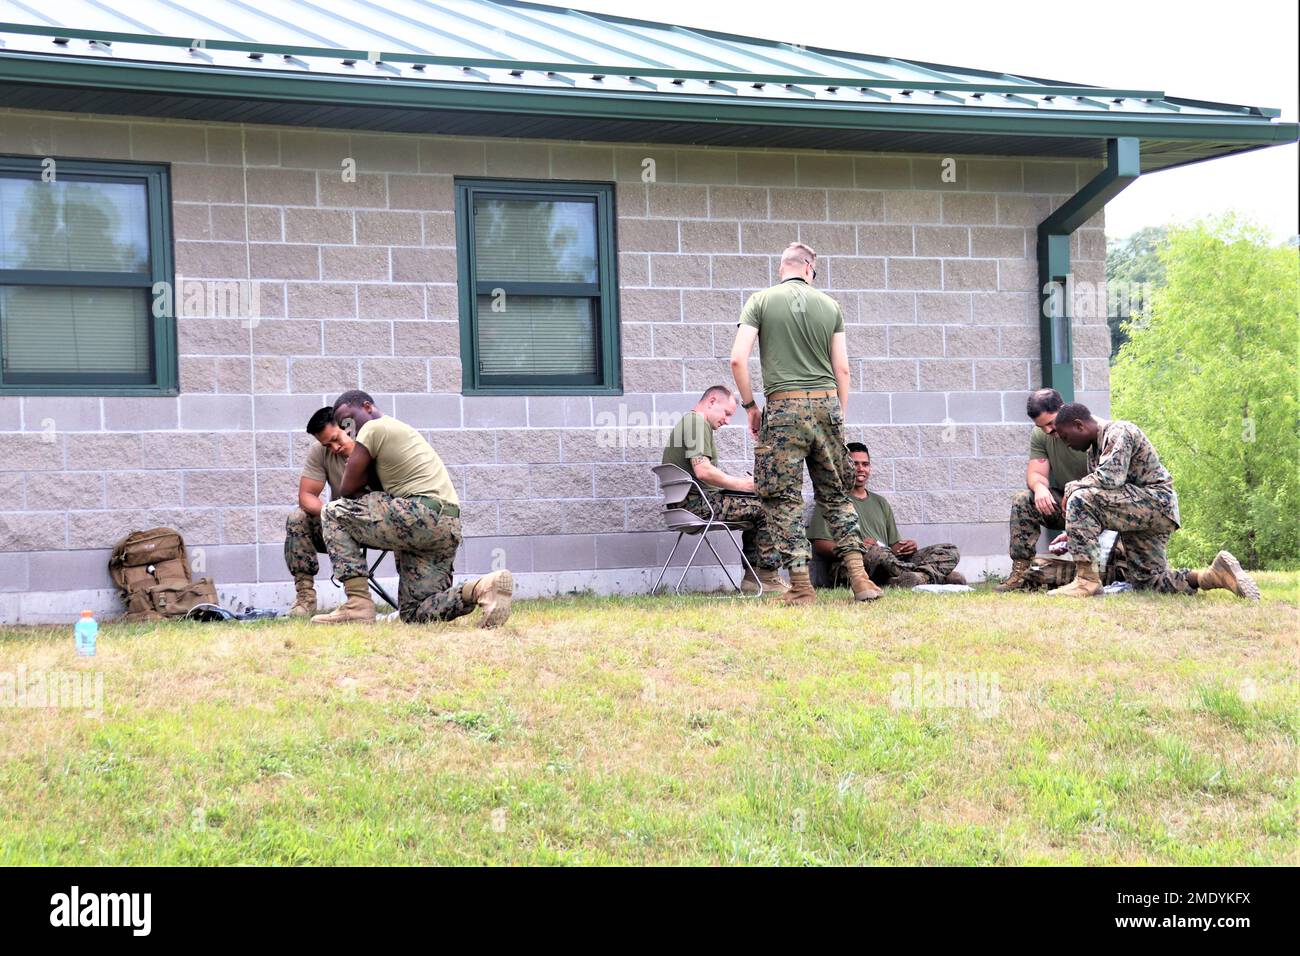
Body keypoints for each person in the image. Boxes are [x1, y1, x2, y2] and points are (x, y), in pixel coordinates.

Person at [730, 242, 880, 605]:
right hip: (827, 404)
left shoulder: (760, 301)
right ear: (810, 268)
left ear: (783, 267)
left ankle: (800, 586)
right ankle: (860, 580)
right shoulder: (830, 306)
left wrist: (751, 406)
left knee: (782, 497)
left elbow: (737, 359)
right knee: (836, 494)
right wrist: (837, 415)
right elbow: (843, 369)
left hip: (783, 408)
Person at [312, 390, 514, 626]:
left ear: (367, 407)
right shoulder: (399, 431)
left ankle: (357, 605)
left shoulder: (373, 428)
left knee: (333, 512)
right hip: (446, 526)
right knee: (415, 613)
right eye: (343, 426)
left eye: (349, 419)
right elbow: (379, 490)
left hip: (420, 513)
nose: (348, 429)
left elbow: (347, 489)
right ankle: (481, 589)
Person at [1048, 402, 1260, 600]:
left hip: (1154, 503)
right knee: (1149, 582)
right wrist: (1075, 532)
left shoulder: (1119, 431)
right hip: (1145, 510)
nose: (1067, 445)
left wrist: (1071, 487)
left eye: (1066, 437)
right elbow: (1101, 505)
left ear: (1079, 425)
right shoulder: (1095, 450)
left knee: (1080, 497)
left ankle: (1087, 581)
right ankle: (1213, 576)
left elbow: (1109, 479)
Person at [661, 386, 786, 595]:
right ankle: (766, 578)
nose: (727, 420)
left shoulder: (690, 422)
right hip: (698, 507)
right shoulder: (696, 423)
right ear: (711, 401)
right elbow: (703, 470)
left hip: (688, 505)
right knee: (769, 508)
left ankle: (754, 579)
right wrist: (745, 484)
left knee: (756, 504)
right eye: (727, 413)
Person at [808, 443, 964, 589]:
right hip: (850, 566)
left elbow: (893, 547)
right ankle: (933, 577)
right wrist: (857, 546)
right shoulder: (832, 500)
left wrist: (906, 547)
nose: (860, 469)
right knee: (877, 553)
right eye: (855, 464)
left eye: (865, 464)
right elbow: (819, 544)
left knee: (949, 550)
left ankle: (913, 578)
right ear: (843, 466)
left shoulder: (880, 502)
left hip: (890, 562)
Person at [997, 388, 1091, 592]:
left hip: (1097, 508)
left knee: (1121, 572)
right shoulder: (1041, 434)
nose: (1048, 430)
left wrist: (1079, 521)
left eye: (1051, 423)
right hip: (1067, 505)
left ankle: (1091, 577)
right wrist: (1039, 487)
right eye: (1042, 426)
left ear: (1064, 410)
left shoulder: (1090, 430)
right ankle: (1021, 574)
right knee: (1023, 499)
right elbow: (1036, 473)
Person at [285, 406, 360, 617]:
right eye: (328, 444)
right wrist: (333, 513)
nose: (334, 447)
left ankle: (405, 599)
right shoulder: (322, 451)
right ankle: (305, 598)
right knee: (297, 518)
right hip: (339, 523)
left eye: (336, 439)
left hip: (377, 522)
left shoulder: (372, 443)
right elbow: (306, 496)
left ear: (347, 428)